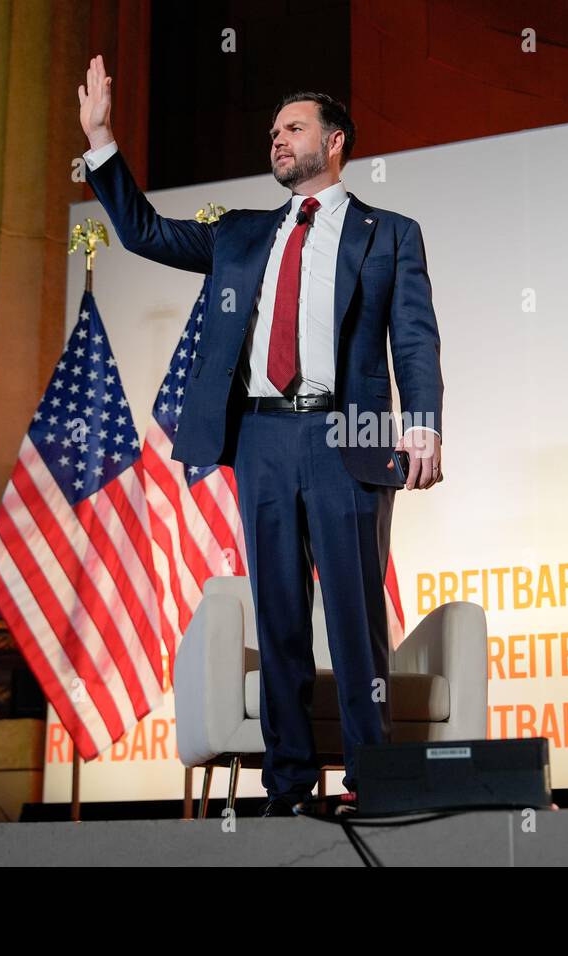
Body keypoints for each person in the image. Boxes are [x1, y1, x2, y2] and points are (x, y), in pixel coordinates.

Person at [77, 56, 444, 816]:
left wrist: (424, 427)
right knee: (276, 613)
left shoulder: (390, 235)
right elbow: (144, 233)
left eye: (294, 129)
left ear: (335, 141)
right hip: (262, 441)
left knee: (353, 616)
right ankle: (286, 785)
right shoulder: (241, 235)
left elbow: (413, 339)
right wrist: (103, 141)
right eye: (273, 131)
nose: (277, 140)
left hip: (353, 434)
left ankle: (371, 781)